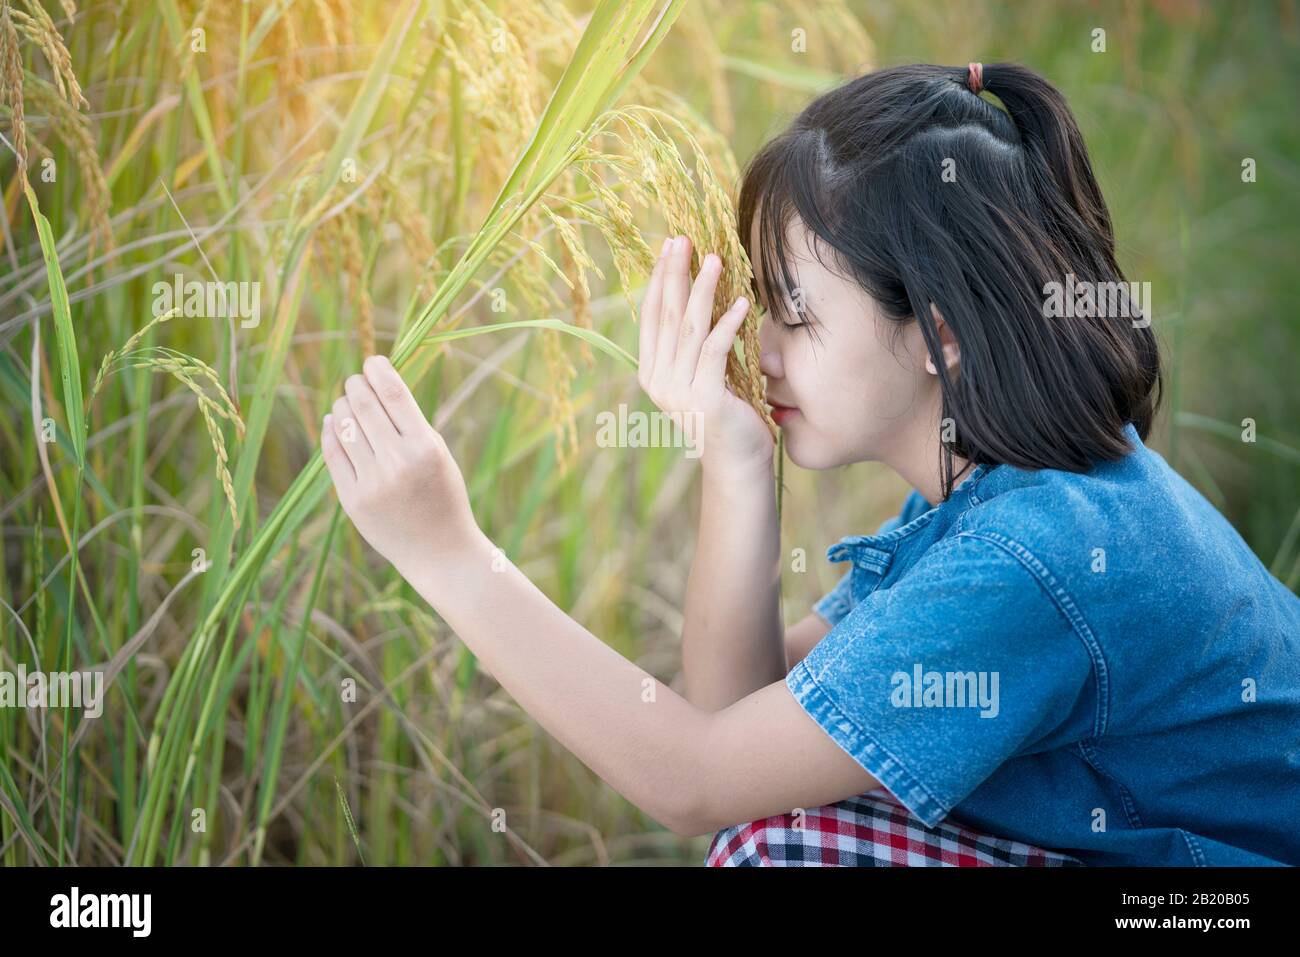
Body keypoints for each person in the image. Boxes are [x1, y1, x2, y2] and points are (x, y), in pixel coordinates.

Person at [319, 62, 1300, 866]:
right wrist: (736, 461)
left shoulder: (1031, 564)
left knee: (784, 854)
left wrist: (448, 555)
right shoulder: (1001, 497)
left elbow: (695, 779)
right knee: (787, 826)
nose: (760, 346)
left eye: (792, 311)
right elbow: (738, 719)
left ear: (939, 334)